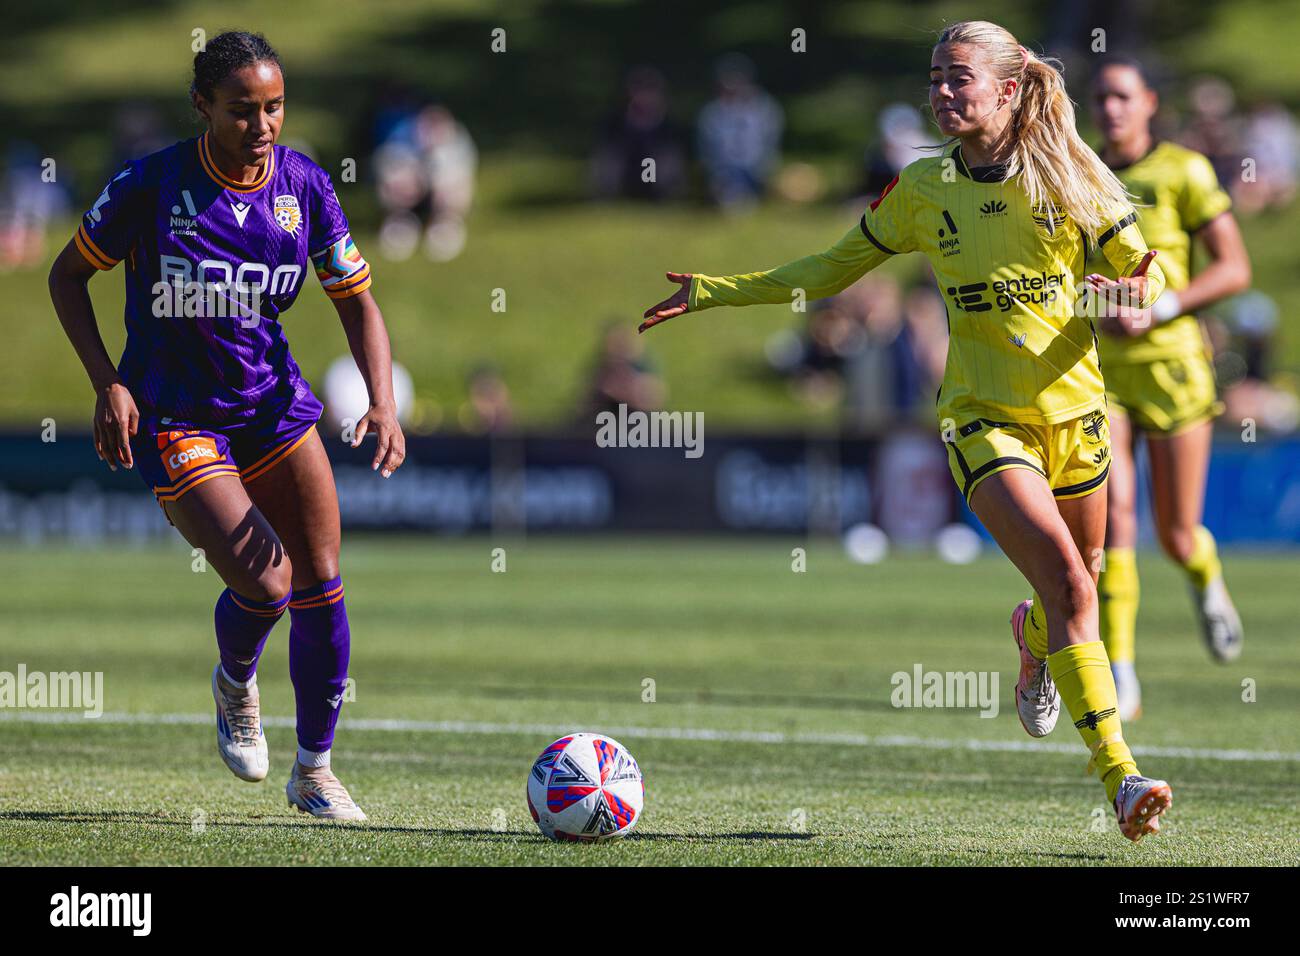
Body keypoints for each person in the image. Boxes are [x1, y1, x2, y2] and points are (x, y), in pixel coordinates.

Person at [640, 21, 1173, 841]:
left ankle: (1032, 643)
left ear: (1005, 89)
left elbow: (1146, 269)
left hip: (1079, 418)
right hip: (983, 420)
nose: (942, 93)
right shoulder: (924, 187)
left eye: (959, 78)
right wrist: (718, 290)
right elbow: (827, 269)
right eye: (934, 78)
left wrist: (1135, 294)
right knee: (1070, 581)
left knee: (1079, 585)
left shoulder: (1072, 176)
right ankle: (1123, 777)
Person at [47, 31, 406, 821]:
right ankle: (235, 680)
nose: (263, 124)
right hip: (175, 412)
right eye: (243, 109)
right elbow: (67, 275)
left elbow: (357, 301)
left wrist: (382, 401)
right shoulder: (152, 183)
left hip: (273, 406)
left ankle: (315, 772)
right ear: (202, 105)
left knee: (322, 584)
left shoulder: (306, 187)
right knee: (268, 582)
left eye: (275, 106)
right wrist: (107, 382)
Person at [1088, 57, 1253, 720]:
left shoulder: (1184, 170)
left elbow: (1234, 268)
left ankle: (1206, 579)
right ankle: (1121, 671)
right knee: (1114, 518)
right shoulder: (1082, 174)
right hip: (1102, 374)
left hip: (1173, 366)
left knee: (1177, 533)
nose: (1112, 109)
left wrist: (1155, 310)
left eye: (1123, 96)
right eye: (1101, 97)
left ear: (1150, 101)